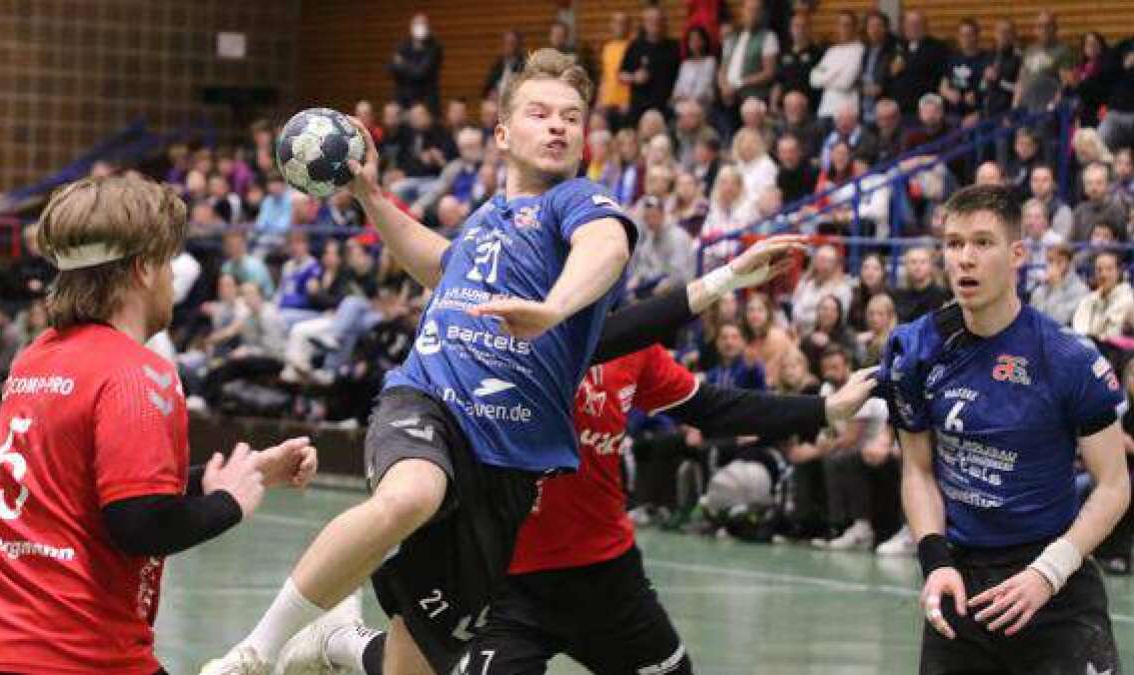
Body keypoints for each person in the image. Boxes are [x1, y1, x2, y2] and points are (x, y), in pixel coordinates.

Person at [202, 48, 640, 675]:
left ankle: (339, 642)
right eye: (540, 113)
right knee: (412, 494)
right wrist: (371, 196)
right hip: (430, 401)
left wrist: (554, 308)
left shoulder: (577, 202)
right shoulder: (488, 217)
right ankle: (253, 654)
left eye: (571, 117)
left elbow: (608, 247)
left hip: (509, 462)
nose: (557, 126)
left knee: (415, 664)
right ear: (502, 134)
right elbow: (439, 264)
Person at [273, 235, 864, 675]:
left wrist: (826, 409)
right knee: (420, 668)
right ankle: (343, 642)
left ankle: (341, 640)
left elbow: (712, 408)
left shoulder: (632, 351)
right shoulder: (497, 338)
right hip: (503, 581)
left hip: (605, 576)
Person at [0, 175, 318, 675]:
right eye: (168, 263)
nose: (171, 281)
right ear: (142, 270)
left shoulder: (36, 358)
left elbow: (97, 493)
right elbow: (139, 525)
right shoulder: (137, 373)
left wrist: (244, 475)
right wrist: (228, 504)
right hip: (75, 657)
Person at [882, 184, 1129, 674]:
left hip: (1054, 583)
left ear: (1017, 254)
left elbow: (1114, 485)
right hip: (961, 585)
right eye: (954, 244)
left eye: (982, 243)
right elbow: (917, 469)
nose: (965, 259)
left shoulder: (1068, 358)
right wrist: (935, 562)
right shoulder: (915, 351)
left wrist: (1048, 573)